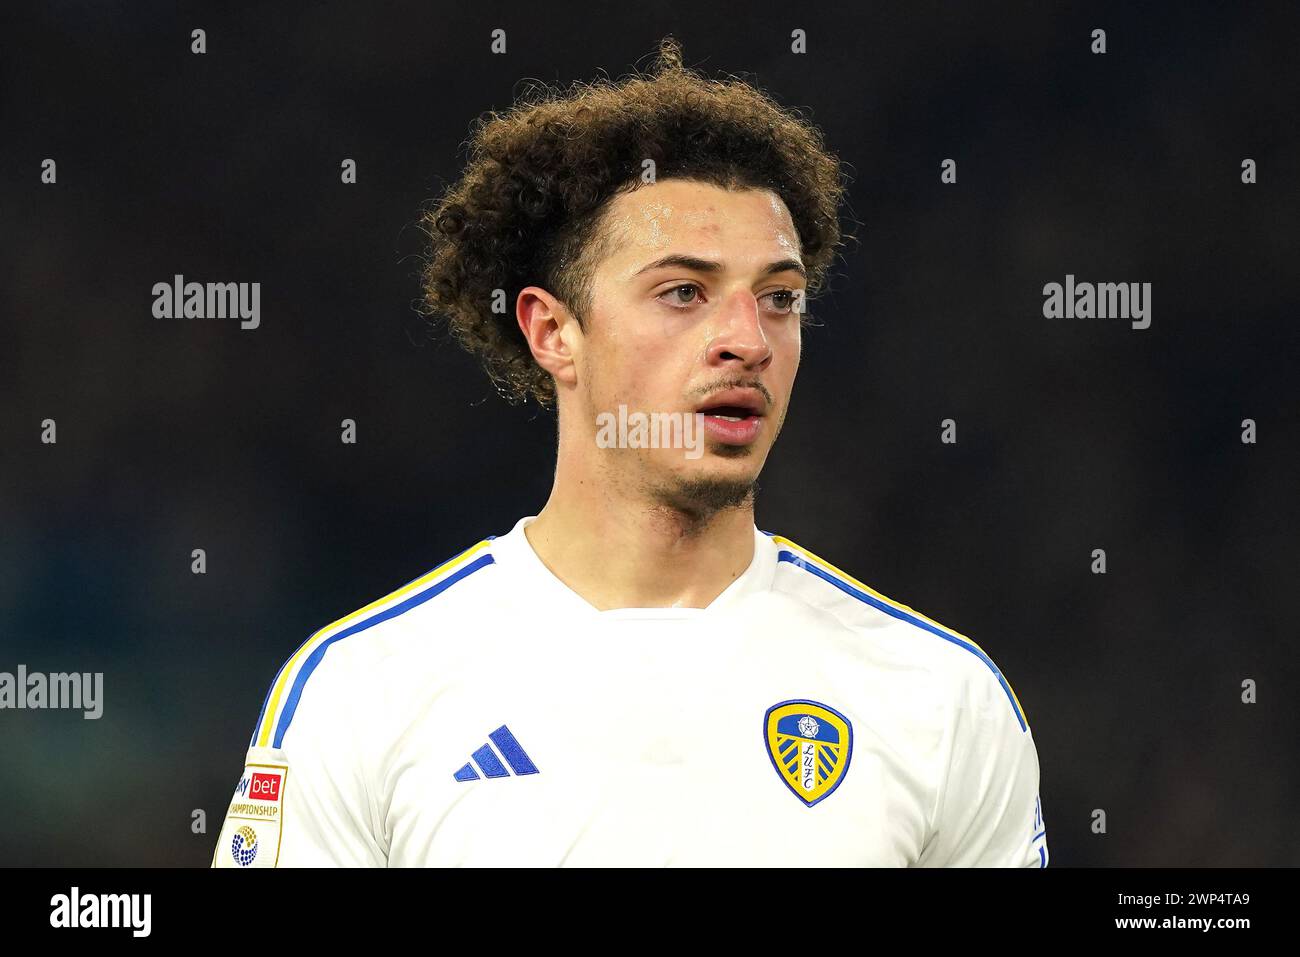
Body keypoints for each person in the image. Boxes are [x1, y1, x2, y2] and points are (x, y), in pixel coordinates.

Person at [212, 37, 1047, 867]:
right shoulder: (362, 693)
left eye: (780, 298)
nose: (747, 340)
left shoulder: (941, 701)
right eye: (683, 292)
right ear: (552, 331)